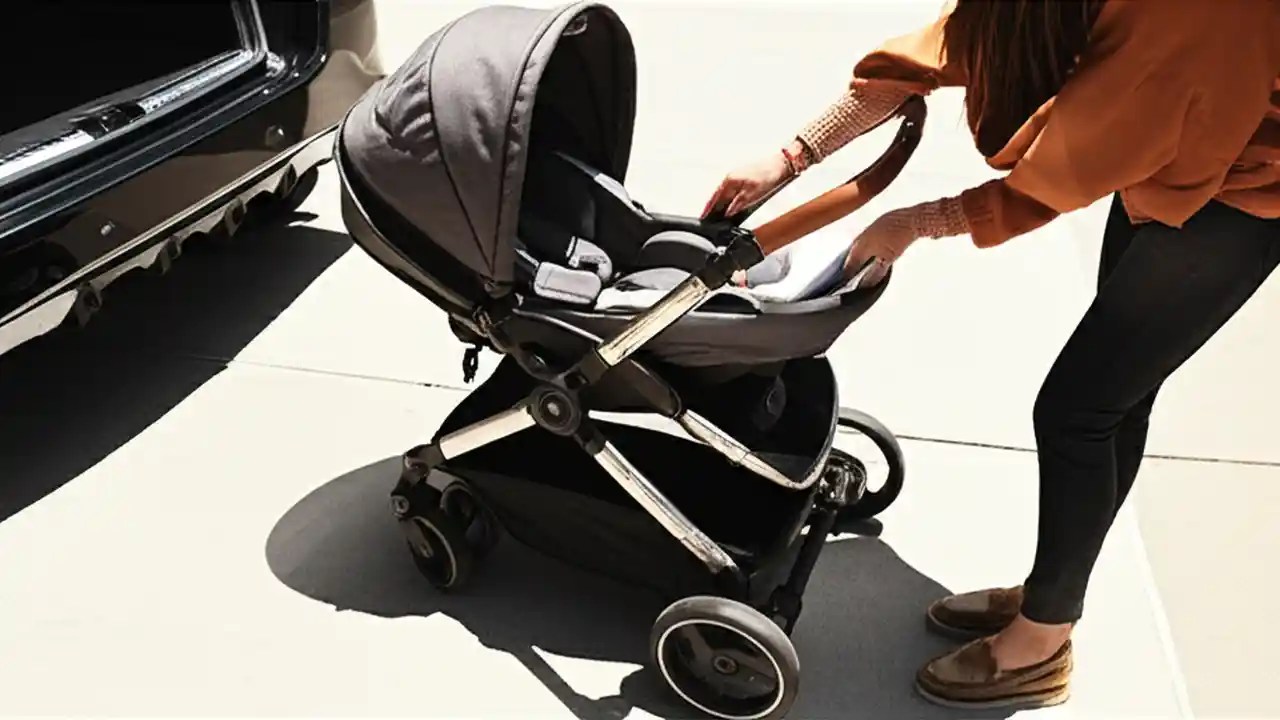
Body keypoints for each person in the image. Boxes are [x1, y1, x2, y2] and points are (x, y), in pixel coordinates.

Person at [705, 0, 1280, 710]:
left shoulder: (1189, 22)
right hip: (1187, 146)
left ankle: (1040, 645)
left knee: (1079, 411)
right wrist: (793, 155)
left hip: (1246, 192)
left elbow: (1066, 167)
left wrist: (911, 224)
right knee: (1117, 399)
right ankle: (1052, 597)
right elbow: (967, 36)